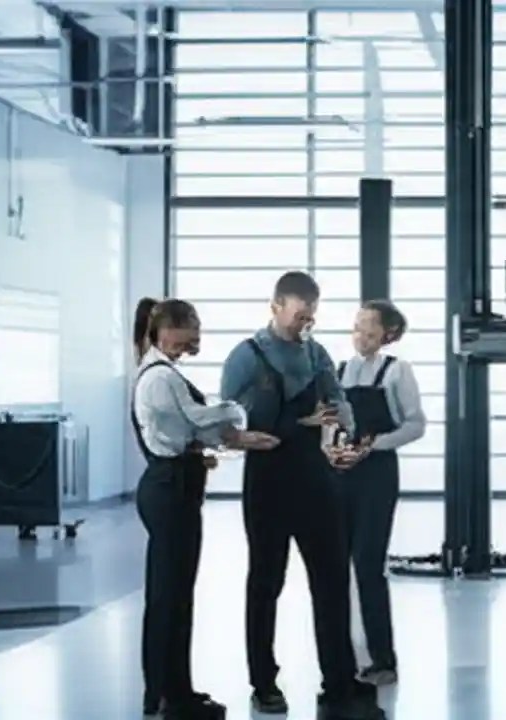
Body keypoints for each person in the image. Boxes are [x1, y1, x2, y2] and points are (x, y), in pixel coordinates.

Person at [219, 271, 384, 720]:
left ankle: (338, 678)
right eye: (297, 316)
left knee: (332, 583)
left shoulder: (317, 353)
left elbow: (339, 400)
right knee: (265, 584)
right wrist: (283, 430)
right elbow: (226, 425)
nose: (304, 324)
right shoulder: (246, 357)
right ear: (275, 306)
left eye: (311, 316)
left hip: (317, 482)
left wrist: (344, 432)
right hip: (268, 483)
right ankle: (263, 683)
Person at [131, 298, 280, 720]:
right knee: (169, 599)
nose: (191, 344)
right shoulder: (161, 376)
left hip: (172, 485)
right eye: (187, 336)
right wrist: (238, 420)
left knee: (174, 597)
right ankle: (169, 698)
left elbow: (186, 431)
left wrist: (205, 447)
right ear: (164, 330)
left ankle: (171, 691)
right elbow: (201, 417)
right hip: (169, 490)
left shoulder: (161, 370)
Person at [331, 300, 427, 686]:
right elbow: (333, 420)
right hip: (341, 473)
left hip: (377, 474)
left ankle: (383, 660)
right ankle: (339, 658)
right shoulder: (340, 370)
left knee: (368, 566)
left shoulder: (397, 371)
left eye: (369, 330)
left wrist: (376, 445)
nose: (360, 336)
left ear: (388, 334)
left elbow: (416, 425)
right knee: (335, 566)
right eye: (356, 328)